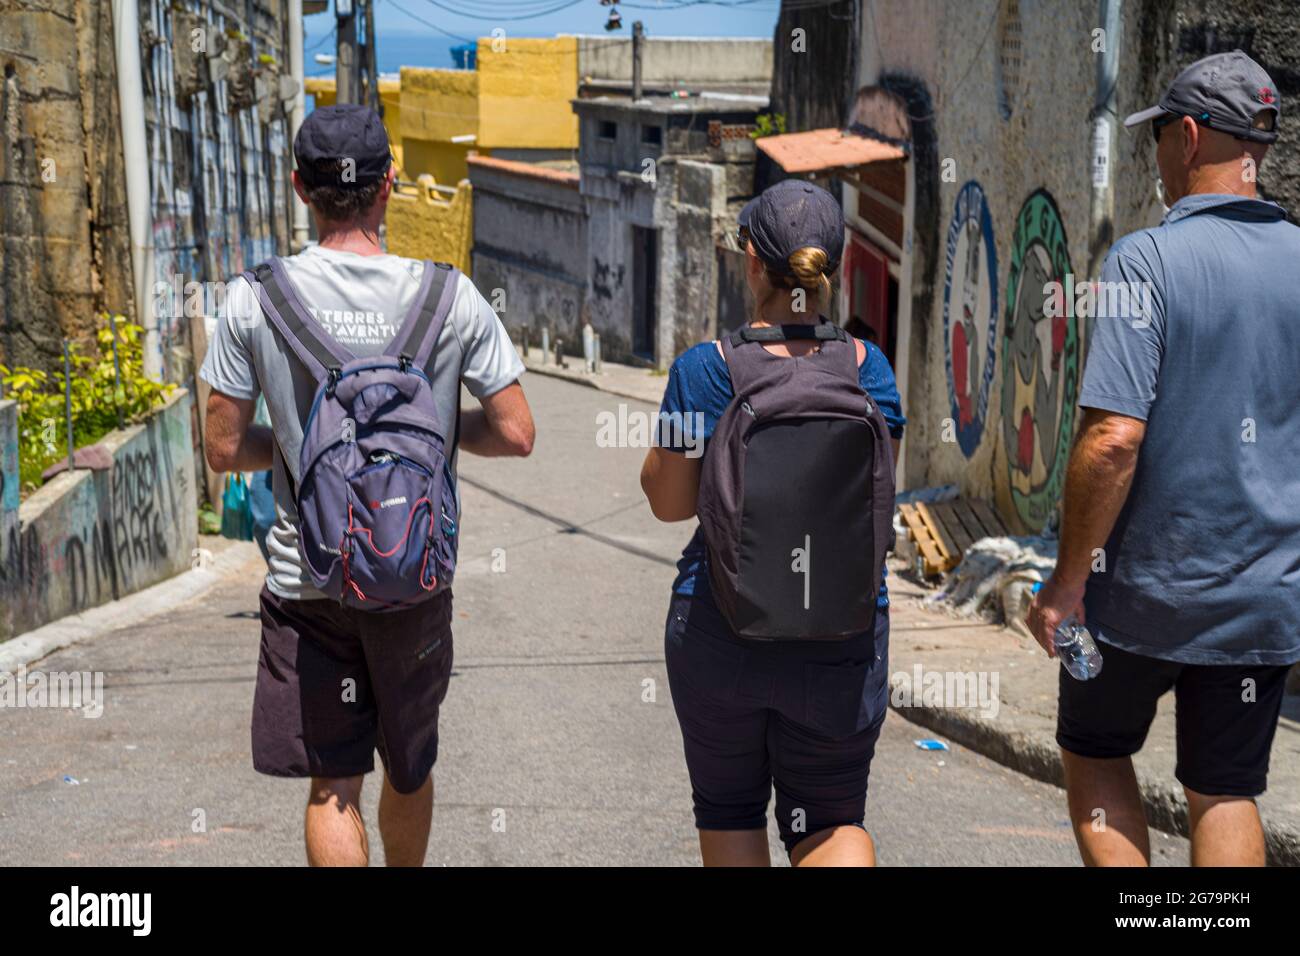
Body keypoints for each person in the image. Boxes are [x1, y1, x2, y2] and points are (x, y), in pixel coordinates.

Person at [200, 104, 535, 866]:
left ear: (298, 188)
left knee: (332, 786)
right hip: (413, 580)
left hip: (307, 581)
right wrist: (439, 438)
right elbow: (517, 432)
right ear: (390, 186)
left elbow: (221, 448)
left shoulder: (254, 299)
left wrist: (297, 448)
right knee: (409, 771)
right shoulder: (450, 298)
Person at [1028, 50, 1299, 867]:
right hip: (1264, 599)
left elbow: (1113, 438)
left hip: (1140, 596)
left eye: (1158, 141)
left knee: (1096, 749)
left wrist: (1066, 585)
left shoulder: (1146, 260)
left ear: (1186, 136)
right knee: (1225, 787)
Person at [641, 180, 905, 867]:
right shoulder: (868, 369)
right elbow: (876, 499)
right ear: (832, 267)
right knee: (831, 818)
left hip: (721, 628)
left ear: (751, 262)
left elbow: (670, 502)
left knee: (729, 812)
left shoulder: (704, 371)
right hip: (842, 631)